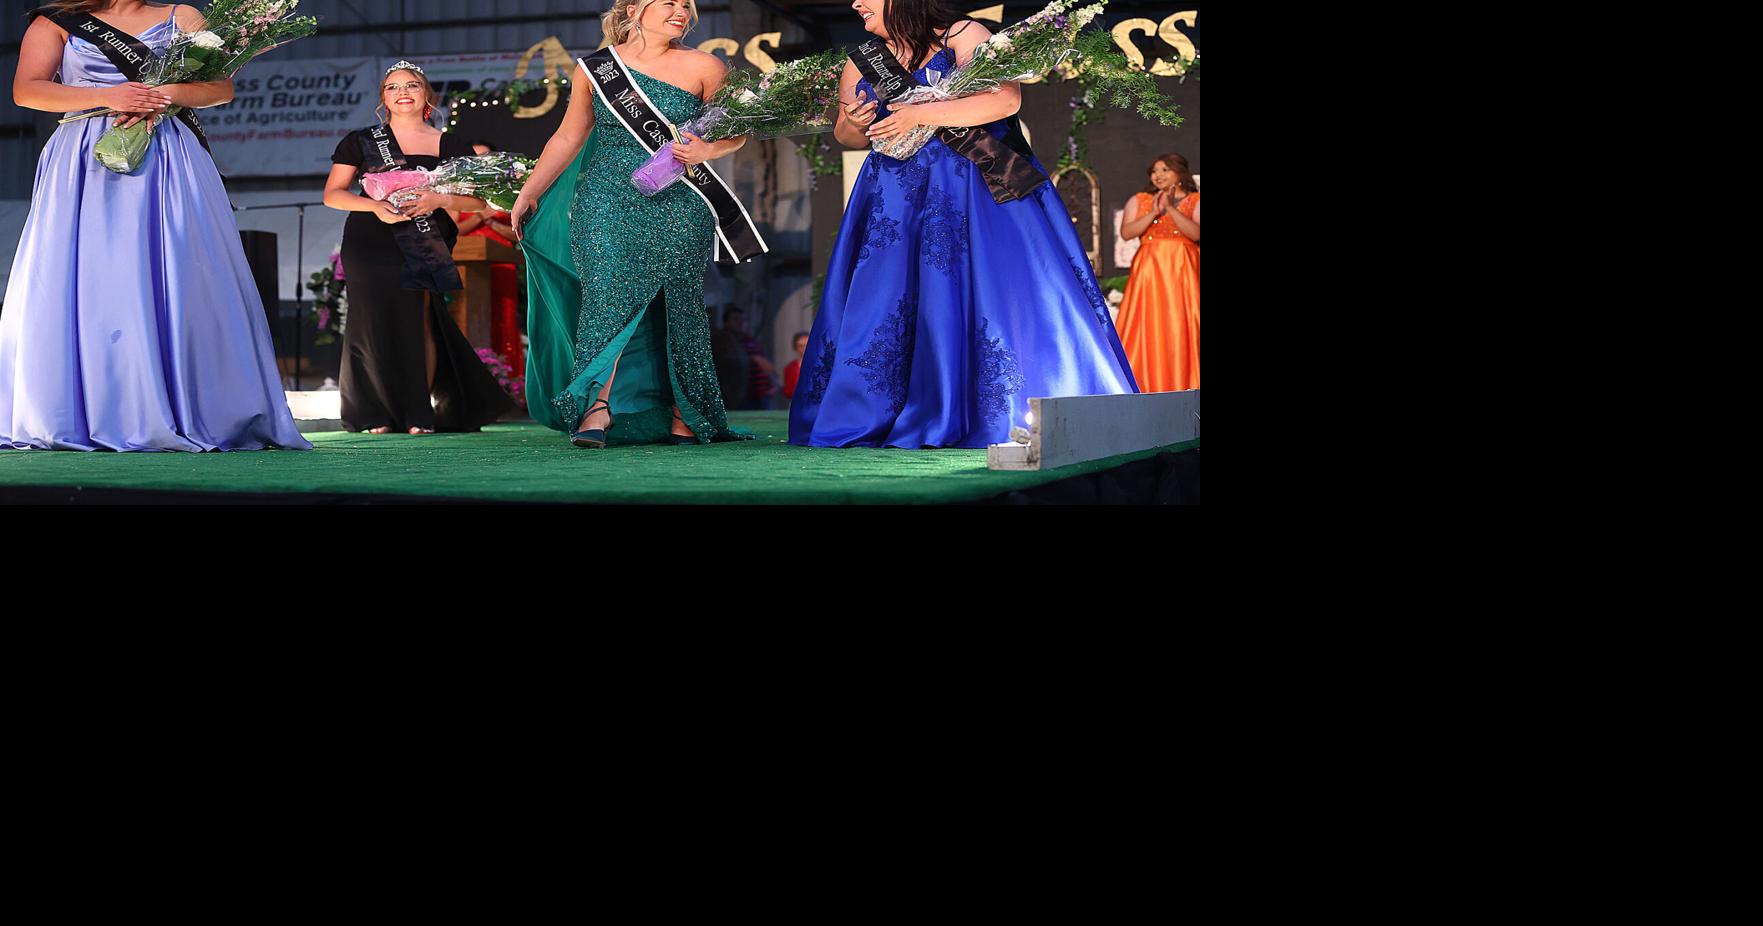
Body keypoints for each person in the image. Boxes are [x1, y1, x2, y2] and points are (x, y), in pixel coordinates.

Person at [789, 0, 1137, 449]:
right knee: (891, 299)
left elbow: (1004, 100)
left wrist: (919, 113)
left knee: (995, 292)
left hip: (972, 185)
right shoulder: (862, 61)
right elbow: (846, 133)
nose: (855, 3)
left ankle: (997, 411)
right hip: (898, 196)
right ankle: (882, 410)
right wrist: (853, 124)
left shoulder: (960, 35)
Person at [1, 0, 309, 452]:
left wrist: (160, 94)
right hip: (86, 156)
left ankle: (190, 407)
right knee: (91, 278)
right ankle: (84, 410)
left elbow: (220, 87)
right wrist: (110, 95)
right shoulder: (56, 20)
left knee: (179, 272)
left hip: (167, 153)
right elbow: (27, 90)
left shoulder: (182, 15)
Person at [512, 0, 757, 448]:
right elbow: (570, 134)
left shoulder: (705, 65)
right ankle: (596, 408)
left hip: (680, 201)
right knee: (606, 296)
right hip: (605, 198)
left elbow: (735, 129)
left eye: (687, 4)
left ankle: (685, 413)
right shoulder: (595, 69)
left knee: (678, 303)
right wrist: (530, 191)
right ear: (634, 9)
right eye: (670, 2)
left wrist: (709, 151)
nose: (681, 10)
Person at [323, 61, 513, 434]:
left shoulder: (451, 143)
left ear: (427, 94)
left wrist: (438, 200)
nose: (403, 92)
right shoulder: (360, 141)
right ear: (383, 98)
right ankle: (375, 411)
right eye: (393, 87)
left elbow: (477, 203)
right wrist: (375, 206)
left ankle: (416, 413)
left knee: (418, 320)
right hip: (370, 239)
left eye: (411, 85)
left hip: (424, 240)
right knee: (370, 323)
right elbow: (333, 195)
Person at [1114, 152, 1199, 392]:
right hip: (1149, 271)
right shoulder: (1140, 199)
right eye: (1154, 171)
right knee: (1148, 324)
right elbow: (1127, 232)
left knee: (1180, 324)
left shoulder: (1195, 199)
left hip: (1182, 269)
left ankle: (1186, 382)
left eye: (1164, 170)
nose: (1158, 175)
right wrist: (1154, 211)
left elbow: (1195, 234)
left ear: (1180, 173)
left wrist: (1171, 209)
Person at [455, 140, 523, 379]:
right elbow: (454, 229)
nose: (480, 162)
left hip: (501, 260)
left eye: (485, 156)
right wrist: (480, 216)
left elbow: (518, 233)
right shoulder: (456, 188)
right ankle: (475, 376)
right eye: (474, 157)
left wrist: (493, 221)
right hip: (468, 263)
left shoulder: (506, 190)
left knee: (503, 316)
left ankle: (510, 380)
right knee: (472, 316)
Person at [722, 308, 776, 410]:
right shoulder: (723, 340)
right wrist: (752, 358)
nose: (740, 323)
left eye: (744, 320)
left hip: (762, 394)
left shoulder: (750, 340)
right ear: (726, 322)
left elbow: (764, 363)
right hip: (742, 396)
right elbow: (724, 361)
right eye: (735, 319)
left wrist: (773, 382)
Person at [781, 331, 809, 402]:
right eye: (800, 346)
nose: (804, 349)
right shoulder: (790, 368)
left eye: (806, 345)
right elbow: (788, 391)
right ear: (795, 347)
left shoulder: (820, 366)